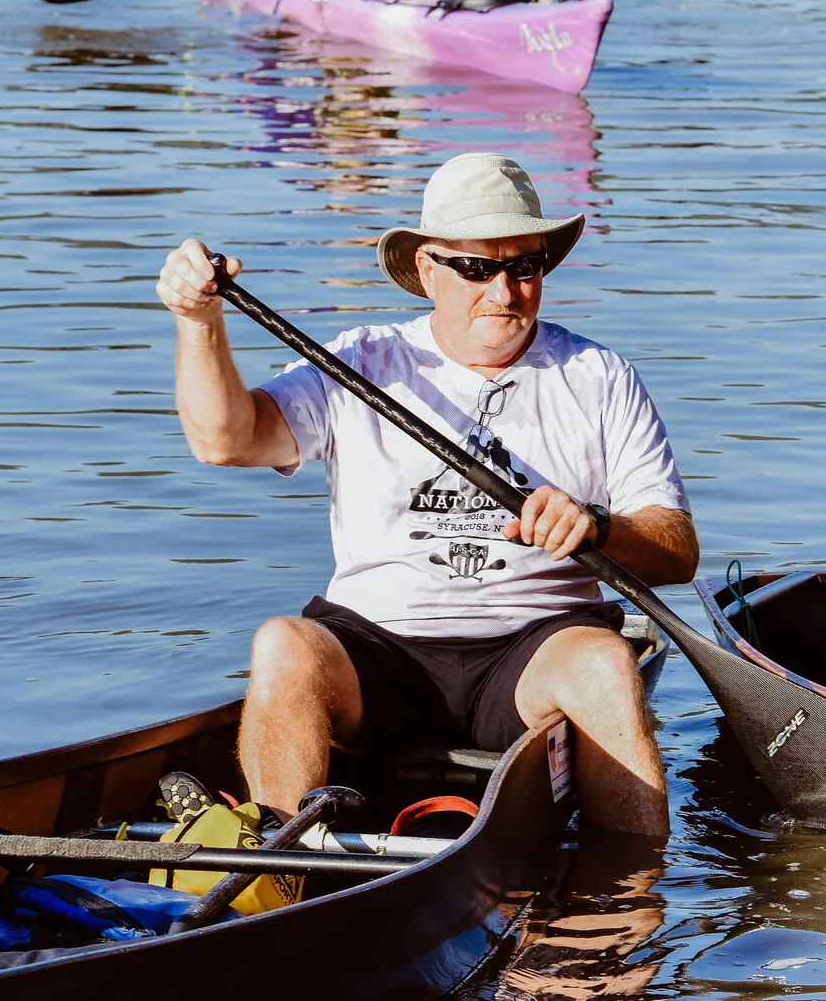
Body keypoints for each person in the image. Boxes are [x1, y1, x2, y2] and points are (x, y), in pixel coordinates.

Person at [156, 151, 698, 838]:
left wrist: (595, 525)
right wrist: (200, 323)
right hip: (379, 652)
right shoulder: (359, 360)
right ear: (427, 270)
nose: (504, 291)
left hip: (531, 651)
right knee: (282, 644)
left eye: (524, 266)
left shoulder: (600, 376)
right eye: (477, 267)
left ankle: (630, 898)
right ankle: (282, 872)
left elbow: (677, 550)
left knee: (606, 663)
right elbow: (224, 440)